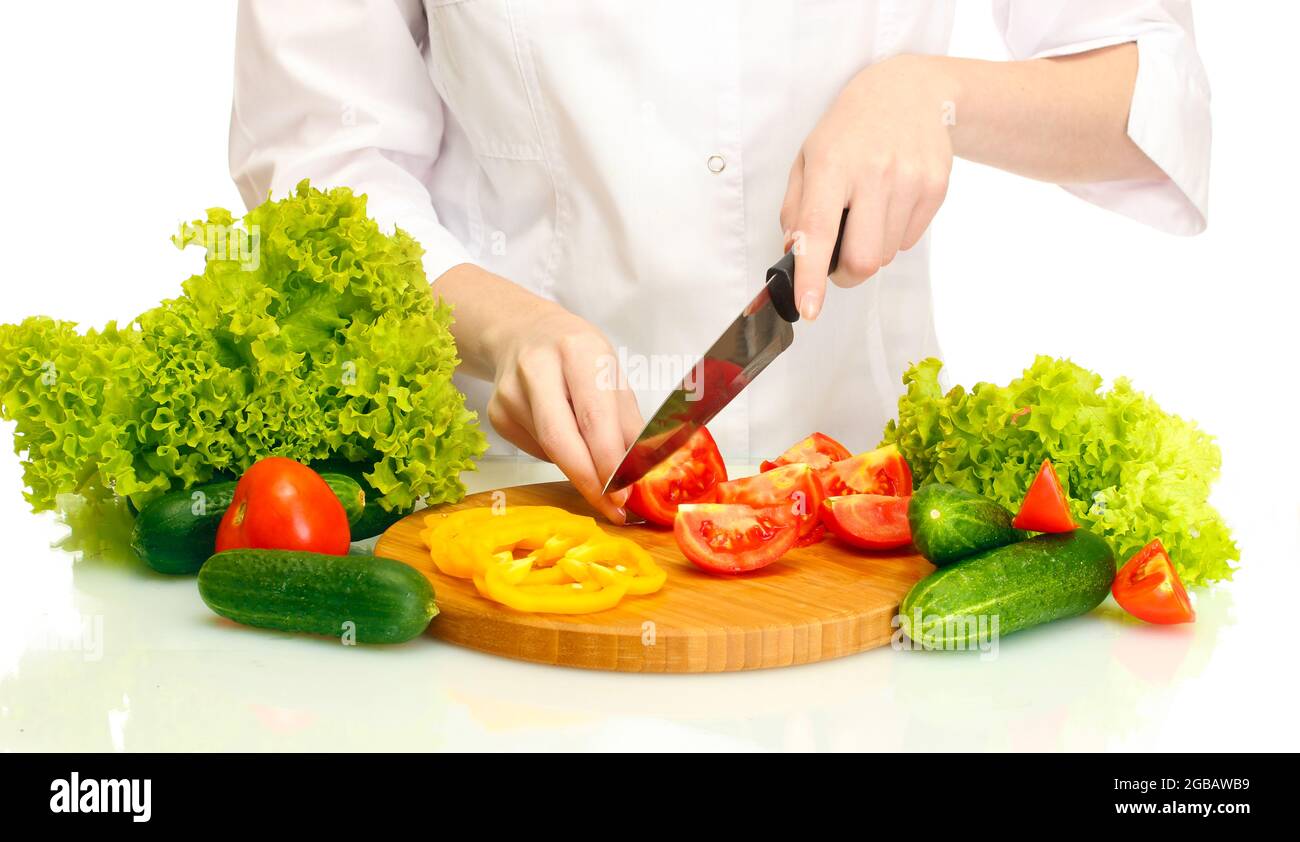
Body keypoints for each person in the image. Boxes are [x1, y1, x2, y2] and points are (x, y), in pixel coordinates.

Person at [231, 1, 1209, 523]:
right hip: (512, 498)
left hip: (849, 509)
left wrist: (935, 96)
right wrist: (502, 322)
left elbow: (1147, 92)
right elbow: (318, 155)